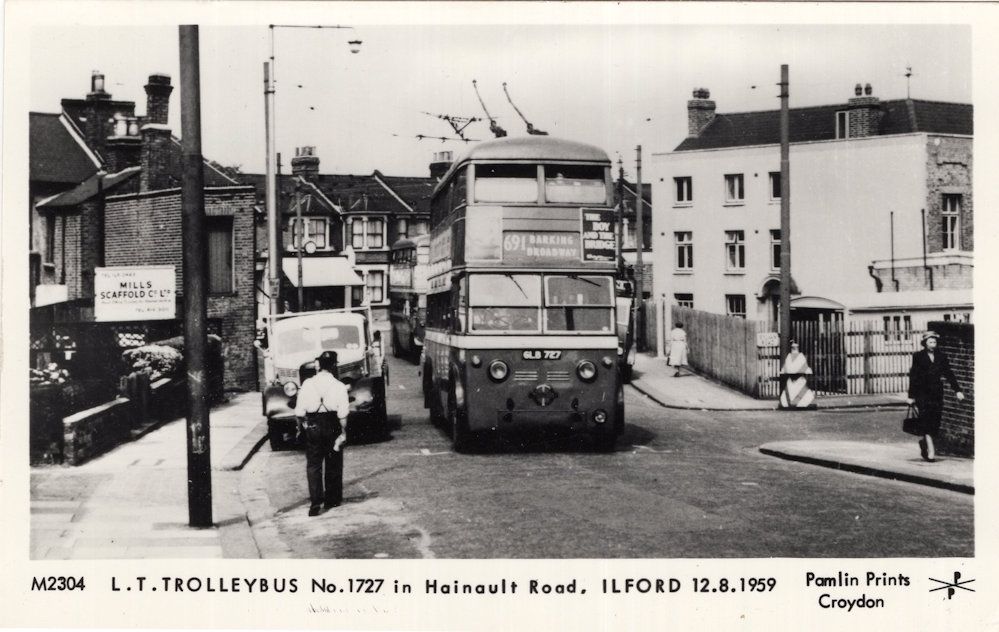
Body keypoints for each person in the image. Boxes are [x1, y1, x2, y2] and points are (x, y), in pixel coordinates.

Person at [295, 350, 350, 516]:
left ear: (318, 366)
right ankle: (332, 499)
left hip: (312, 425)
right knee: (333, 462)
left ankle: (315, 503)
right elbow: (343, 415)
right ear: (334, 366)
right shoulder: (339, 386)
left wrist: (301, 427)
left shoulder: (307, 384)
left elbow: (299, 413)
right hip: (332, 424)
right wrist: (343, 433)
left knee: (313, 465)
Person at [906, 331, 964, 462]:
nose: (933, 344)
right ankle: (931, 451)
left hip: (937, 393)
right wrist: (911, 396)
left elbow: (949, 374)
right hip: (922, 393)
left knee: (935, 421)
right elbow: (914, 376)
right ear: (925, 343)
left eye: (935, 342)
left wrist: (957, 390)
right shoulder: (918, 356)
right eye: (931, 342)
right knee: (926, 421)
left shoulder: (941, 357)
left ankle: (924, 444)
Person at [779, 340, 815, 409]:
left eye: (795, 347)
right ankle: (793, 402)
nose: (794, 349)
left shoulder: (800, 356)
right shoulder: (790, 356)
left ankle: (798, 402)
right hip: (794, 378)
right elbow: (787, 367)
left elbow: (803, 366)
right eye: (793, 347)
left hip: (798, 378)